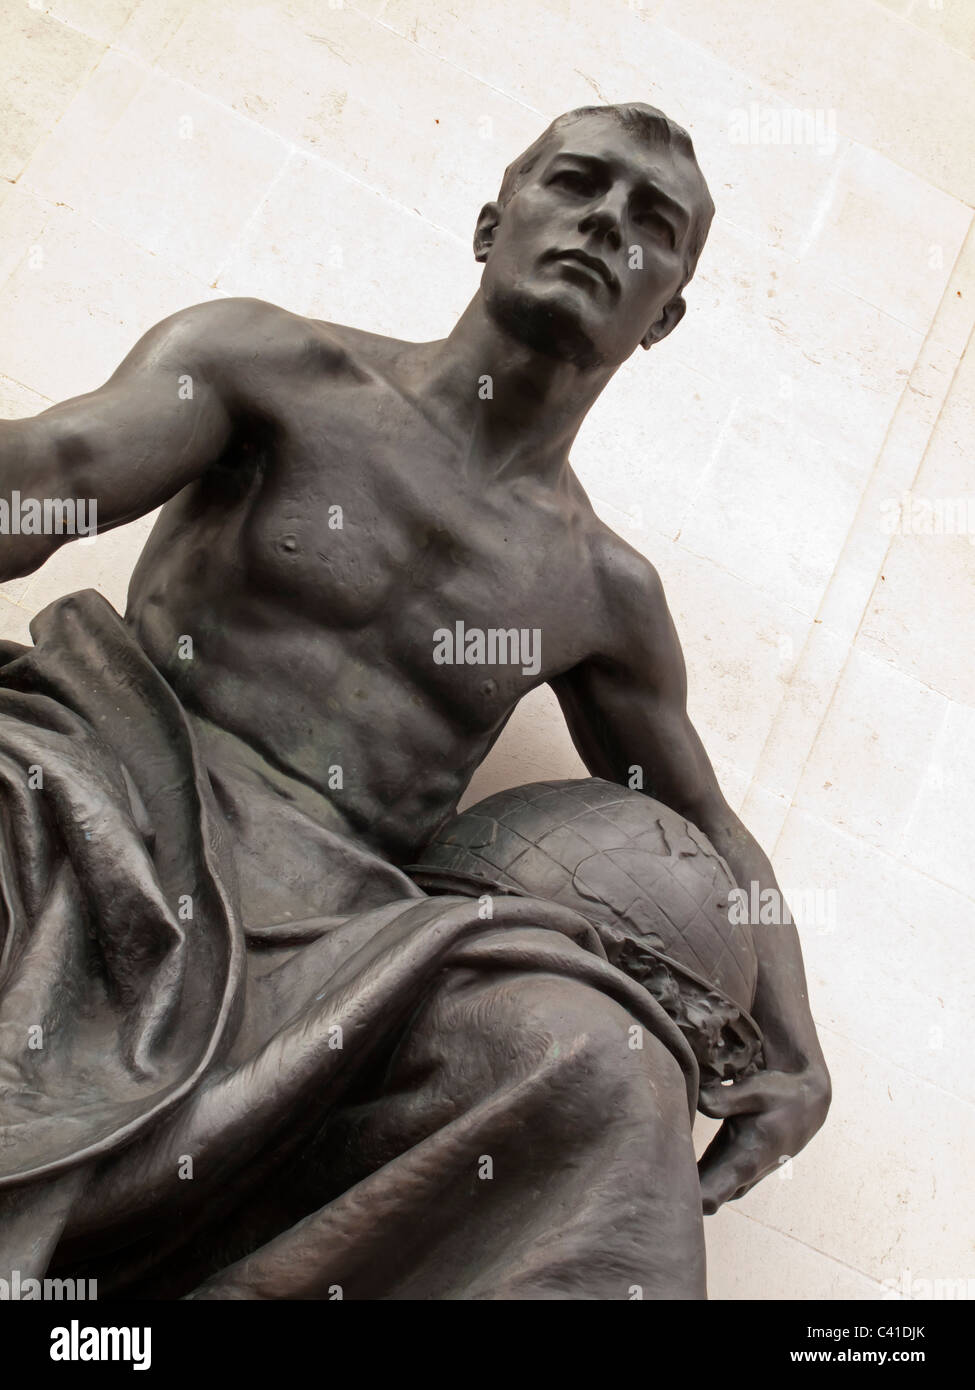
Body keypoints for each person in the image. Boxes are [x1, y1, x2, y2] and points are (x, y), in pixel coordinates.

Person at [0, 102, 829, 1299]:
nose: (606, 222)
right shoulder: (267, 361)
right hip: (102, 792)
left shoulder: (603, 589)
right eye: (579, 184)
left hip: (339, 935)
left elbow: (703, 815)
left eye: (652, 224)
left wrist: (797, 1056)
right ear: (495, 218)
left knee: (600, 1064)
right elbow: (53, 476)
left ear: (667, 317)